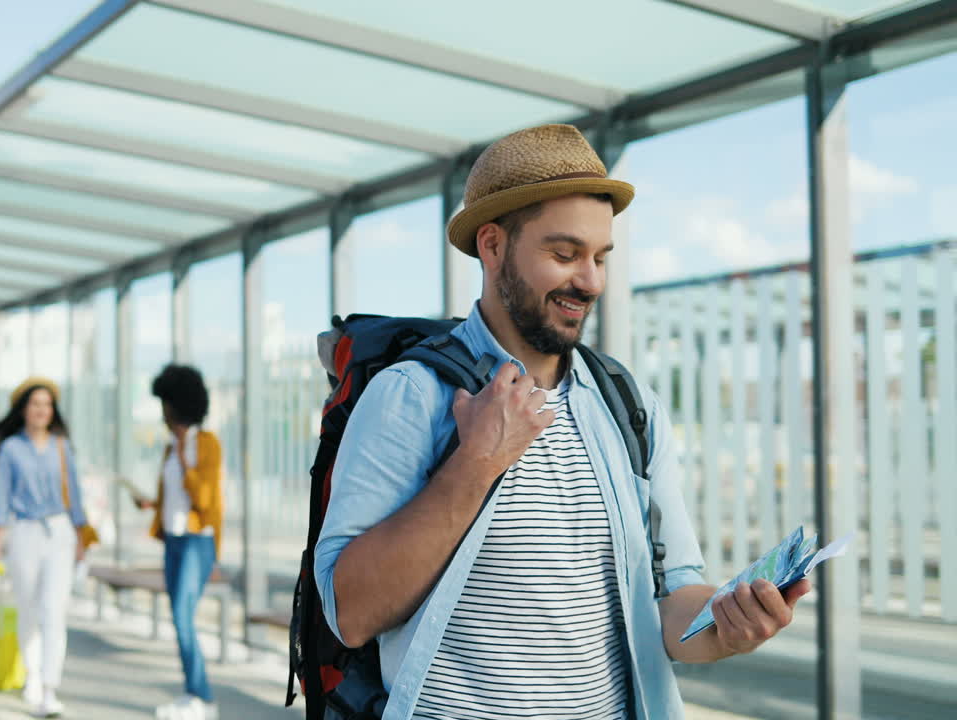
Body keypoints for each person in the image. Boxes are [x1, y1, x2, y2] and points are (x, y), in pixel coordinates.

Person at [313, 124, 812, 720]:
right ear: (493, 246)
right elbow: (351, 614)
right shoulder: (410, 396)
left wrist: (728, 625)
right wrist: (474, 464)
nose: (592, 281)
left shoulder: (630, 405)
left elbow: (670, 601)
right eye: (564, 253)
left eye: (601, 257)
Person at [0, 377, 90, 718]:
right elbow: (2, 499)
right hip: (25, 532)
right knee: (28, 607)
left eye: (47, 404)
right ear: (24, 409)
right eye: (35, 404)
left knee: (53, 611)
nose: (42, 410)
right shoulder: (11, 449)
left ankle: (49, 687)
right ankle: (31, 674)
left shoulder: (62, 446)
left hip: (60, 532)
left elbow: (74, 494)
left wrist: (82, 539)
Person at [132, 364, 224, 720]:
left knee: (184, 616)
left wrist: (187, 460)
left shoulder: (205, 444)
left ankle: (203, 697)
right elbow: (174, 498)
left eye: (166, 405)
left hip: (197, 543)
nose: (163, 413)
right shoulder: (171, 448)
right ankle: (192, 694)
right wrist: (150, 504)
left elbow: (205, 499)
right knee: (178, 617)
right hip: (173, 540)